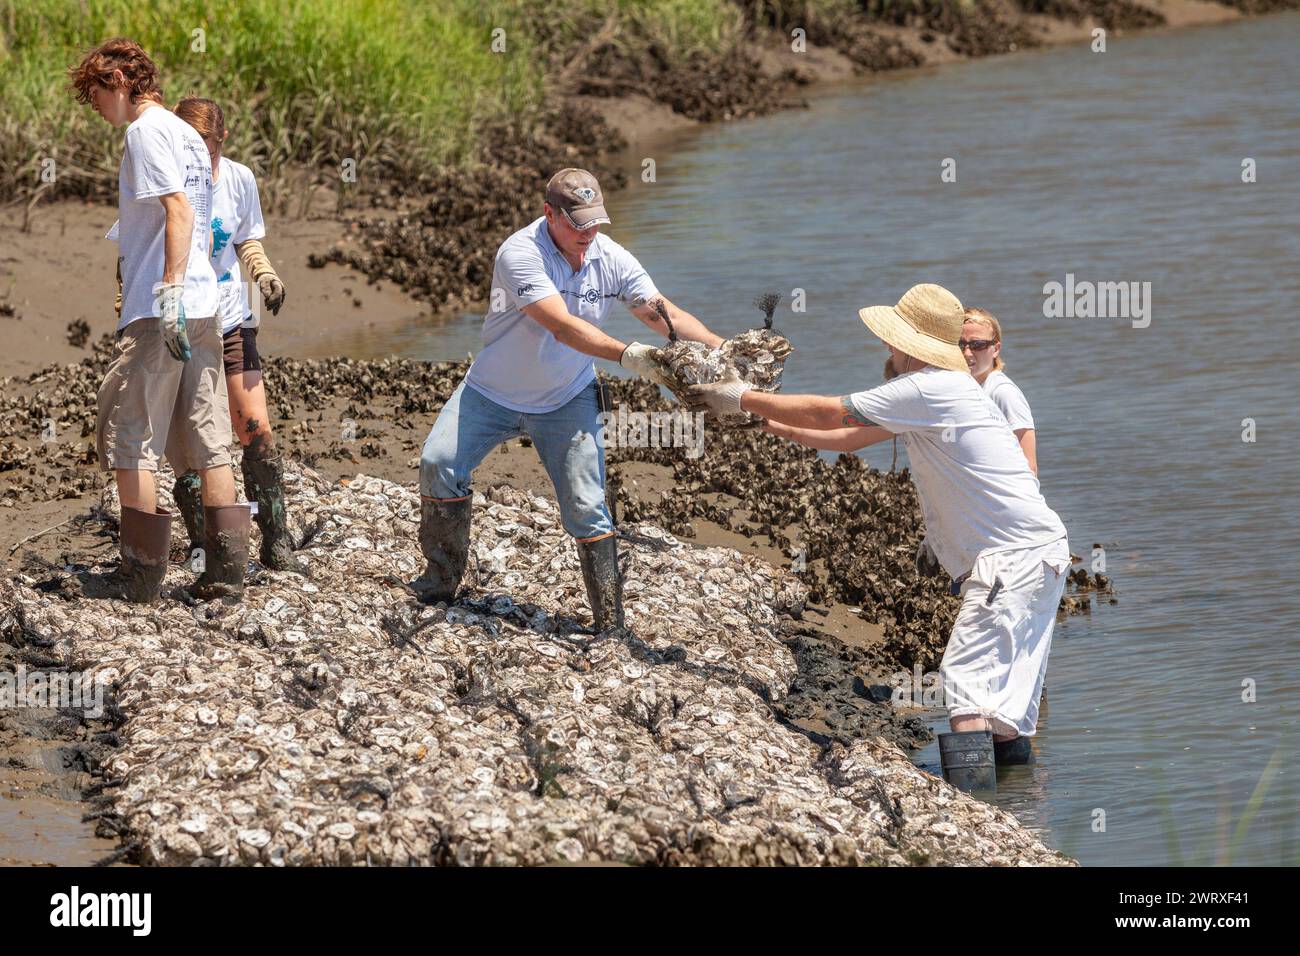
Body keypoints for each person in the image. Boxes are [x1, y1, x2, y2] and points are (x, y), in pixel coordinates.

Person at [684, 284, 1069, 790]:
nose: (887, 350)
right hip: (1041, 554)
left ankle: (979, 812)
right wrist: (768, 421)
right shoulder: (947, 390)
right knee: (1002, 706)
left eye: (892, 342)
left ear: (910, 345)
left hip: (1011, 560)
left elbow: (831, 411)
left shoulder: (930, 386)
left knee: (964, 686)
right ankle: (1022, 811)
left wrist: (738, 397)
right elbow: (849, 436)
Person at [417, 168, 724, 629]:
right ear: (549, 214)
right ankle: (440, 582)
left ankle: (609, 621)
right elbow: (561, 326)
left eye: (595, 223)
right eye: (577, 224)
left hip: (567, 398)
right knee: (438, 464)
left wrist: (724, 355)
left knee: (586, 504)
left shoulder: (611, 257)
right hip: (491, 391)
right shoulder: (520, 253)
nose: (588, 234)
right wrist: (630, 356)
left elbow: (662, 314)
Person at [71, 38, 248, 603]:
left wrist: (165, 291)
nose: (94, 106)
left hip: (166, 308)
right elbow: (188, 209)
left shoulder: (145, 131)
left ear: (120, 80)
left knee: (132, 436)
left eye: (96, 92)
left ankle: (139, 575)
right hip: (204, 305)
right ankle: (225, 577)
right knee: (208, 435)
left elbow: (177, 210)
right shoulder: (185, 132)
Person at [167, 97, 301, 573]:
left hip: (231, 317)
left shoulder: (239, 178)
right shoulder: (168, 179)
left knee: (255, 430)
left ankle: (277, 540)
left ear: (222, 142)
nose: (200, 158)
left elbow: (246, 237)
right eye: (190, 147)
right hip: (180, 323)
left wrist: (263, 273)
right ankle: (207, 544)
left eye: (208, 148)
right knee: (191, 446)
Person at [962, 306, 1037, 475]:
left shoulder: (1003, 393)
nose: (967, 353)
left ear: (995, 349)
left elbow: (1029, 467)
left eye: (977, 345)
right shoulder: (963, 389)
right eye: (960, 344)